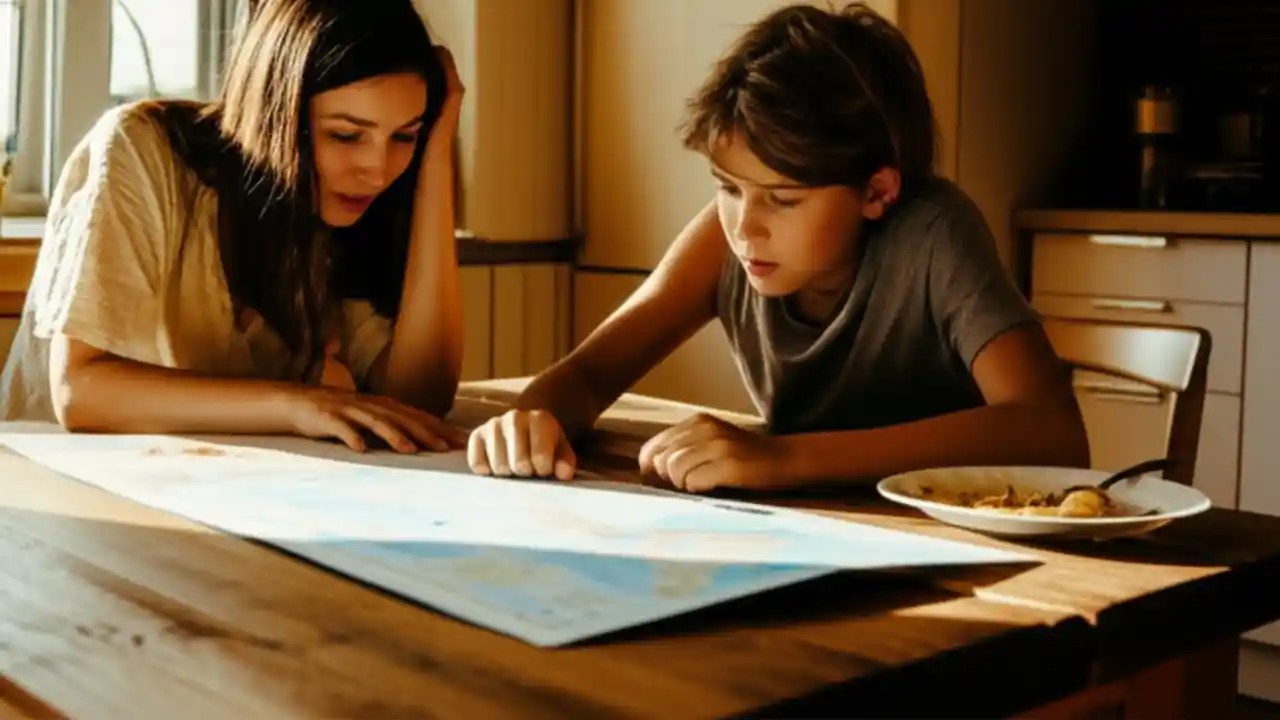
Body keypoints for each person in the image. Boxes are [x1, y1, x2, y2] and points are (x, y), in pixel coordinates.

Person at [467, 2, 1089, 492]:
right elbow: (591, 371)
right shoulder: (726, 235)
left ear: (876, 192)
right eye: (728, 188)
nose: (745, 226)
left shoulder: (934, 234)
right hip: (828, 525)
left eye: (783, 199)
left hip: (960, 547)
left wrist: (784, 457)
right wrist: (531, 421)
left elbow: (1052, 432)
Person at [0, 0, 469, 454]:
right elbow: (79, 391)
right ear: (276, 113)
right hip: (54, 490)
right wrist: (293, 405)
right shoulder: (141, 150)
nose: (379, 170)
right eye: (345, 135)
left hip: (211, 489)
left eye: (404, 135)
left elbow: (416, 399)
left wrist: (435, 149)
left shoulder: (338, 211)